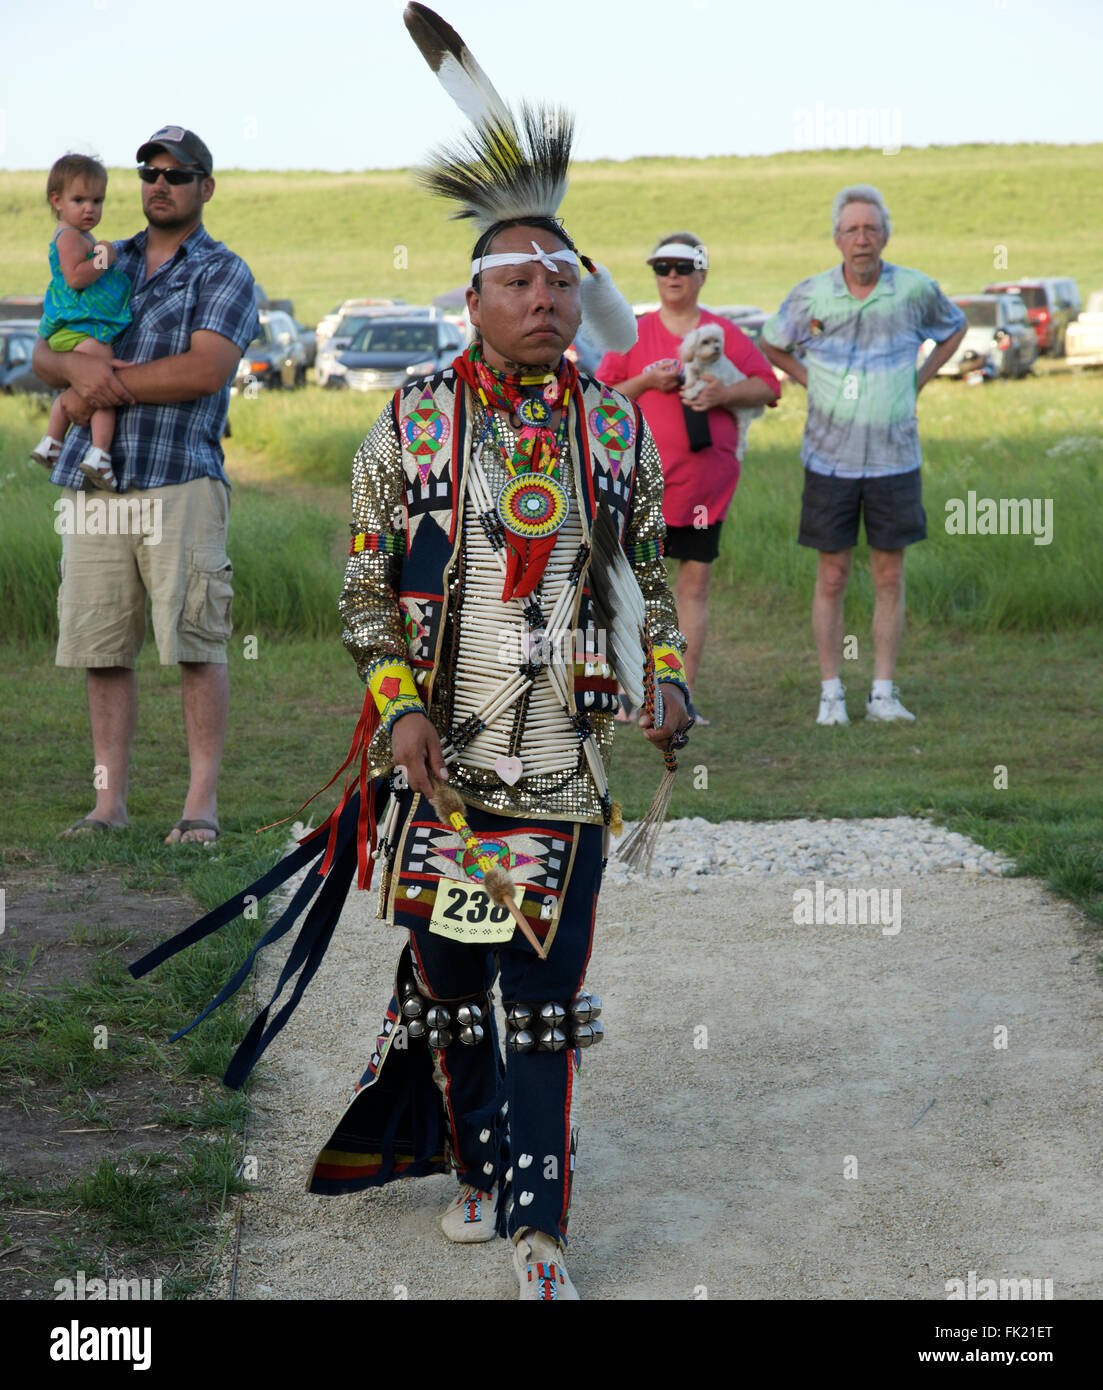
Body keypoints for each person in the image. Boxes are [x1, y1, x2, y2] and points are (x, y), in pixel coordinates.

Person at [129, 4, 692, 1302]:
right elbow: (367, 592)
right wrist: (394, 712)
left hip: (563, 766)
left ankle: (539, 1231)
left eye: (560, 280)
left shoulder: (610, 430)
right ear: (473, 298)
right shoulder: (412, 418)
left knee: (544, 997)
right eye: (519, 281)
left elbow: (643, 580)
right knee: (454, 985)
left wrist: (663, 675)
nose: (547, 297)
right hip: (441, 764)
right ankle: (474, 1161)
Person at [32, 126, 259, 844]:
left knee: (195, 643)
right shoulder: (101, 254)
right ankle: (109, 806)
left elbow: (204, 370)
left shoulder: (224, 271)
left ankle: (199, 809)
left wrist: (101, 380)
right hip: (92, 486)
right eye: (149, 171)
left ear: (205, 188)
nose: (159, 183)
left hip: (179, 479)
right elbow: (44, 351)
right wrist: (73, 371)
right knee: (102, 650)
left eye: (177, 173)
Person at [760, 185, 966, 725]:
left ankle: (883, 694)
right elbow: (772, 341)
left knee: (889, 577)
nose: (861, 239)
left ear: (885, 235)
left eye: (870, 229)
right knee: (831, 576)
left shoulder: (915, 290)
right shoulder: (811, 295)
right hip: (829, 460)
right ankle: (831, 694)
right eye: (851, 229)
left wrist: (918, 381)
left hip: (895, 459)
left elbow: (954, 328)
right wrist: (809, 381)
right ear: (836, 238)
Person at [597, 232, 779, 724]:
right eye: (661, 267)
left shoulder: (725, 332)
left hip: (704, 486)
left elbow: (767, 386)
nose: (672, 276)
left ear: (701, 273)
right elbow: (601, 396)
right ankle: (630, 691)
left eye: (682, 267)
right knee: (631, 587)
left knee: (693, 586)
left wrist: (725, 394)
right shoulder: (632, 332)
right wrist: (649, 383)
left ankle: (681, 696)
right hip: (639, 485)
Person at [31, 154, 133, 490]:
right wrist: (104, 256)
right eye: (79, 200)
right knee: (103, 386)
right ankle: (99, 454)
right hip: (78, 329)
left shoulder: (74, 233)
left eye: (97, 200)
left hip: (71, 329)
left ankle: (51, 442)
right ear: (57, 201)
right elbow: (76, 278)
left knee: (80, 388)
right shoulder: (70, 236)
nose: (89, 208)